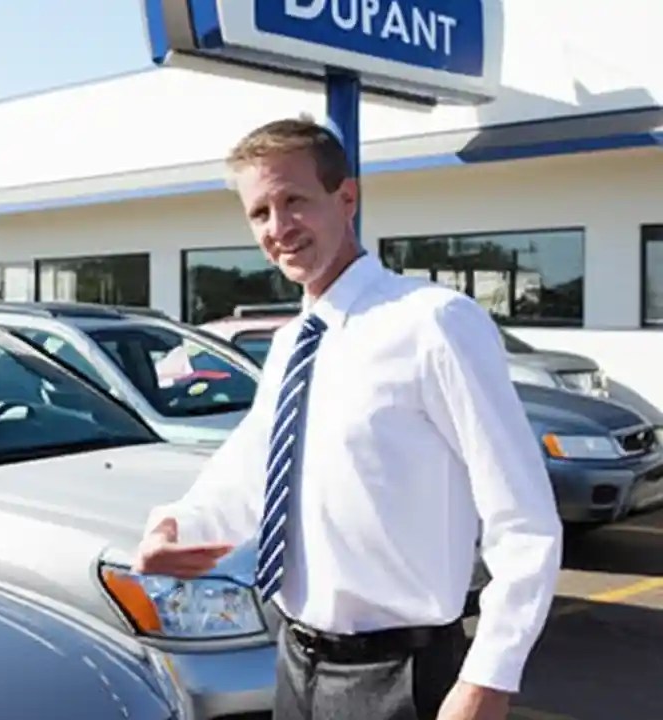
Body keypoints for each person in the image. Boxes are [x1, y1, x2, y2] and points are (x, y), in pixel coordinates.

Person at [133, 117, 563, 720]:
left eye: (294, 202)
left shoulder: (434, 323)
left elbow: (524, 521)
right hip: (295, 662)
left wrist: (488, 679)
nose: (279, 228)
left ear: (348, 198)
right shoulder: (291, 344)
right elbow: (254, 471)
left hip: (402, 679)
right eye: (260, 212)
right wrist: (177, 526)